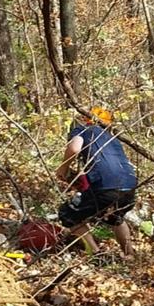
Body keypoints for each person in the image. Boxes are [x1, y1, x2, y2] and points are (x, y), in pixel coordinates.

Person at [55, 107, 137, 257]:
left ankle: (95, 254)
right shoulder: (112, 138)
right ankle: (130, 256)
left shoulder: (84, 130)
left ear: (86, 119)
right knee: (116, 217)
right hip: (130, 185)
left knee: (68, 214)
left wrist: (62, 169)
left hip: (106, 187)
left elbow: (74, 149)